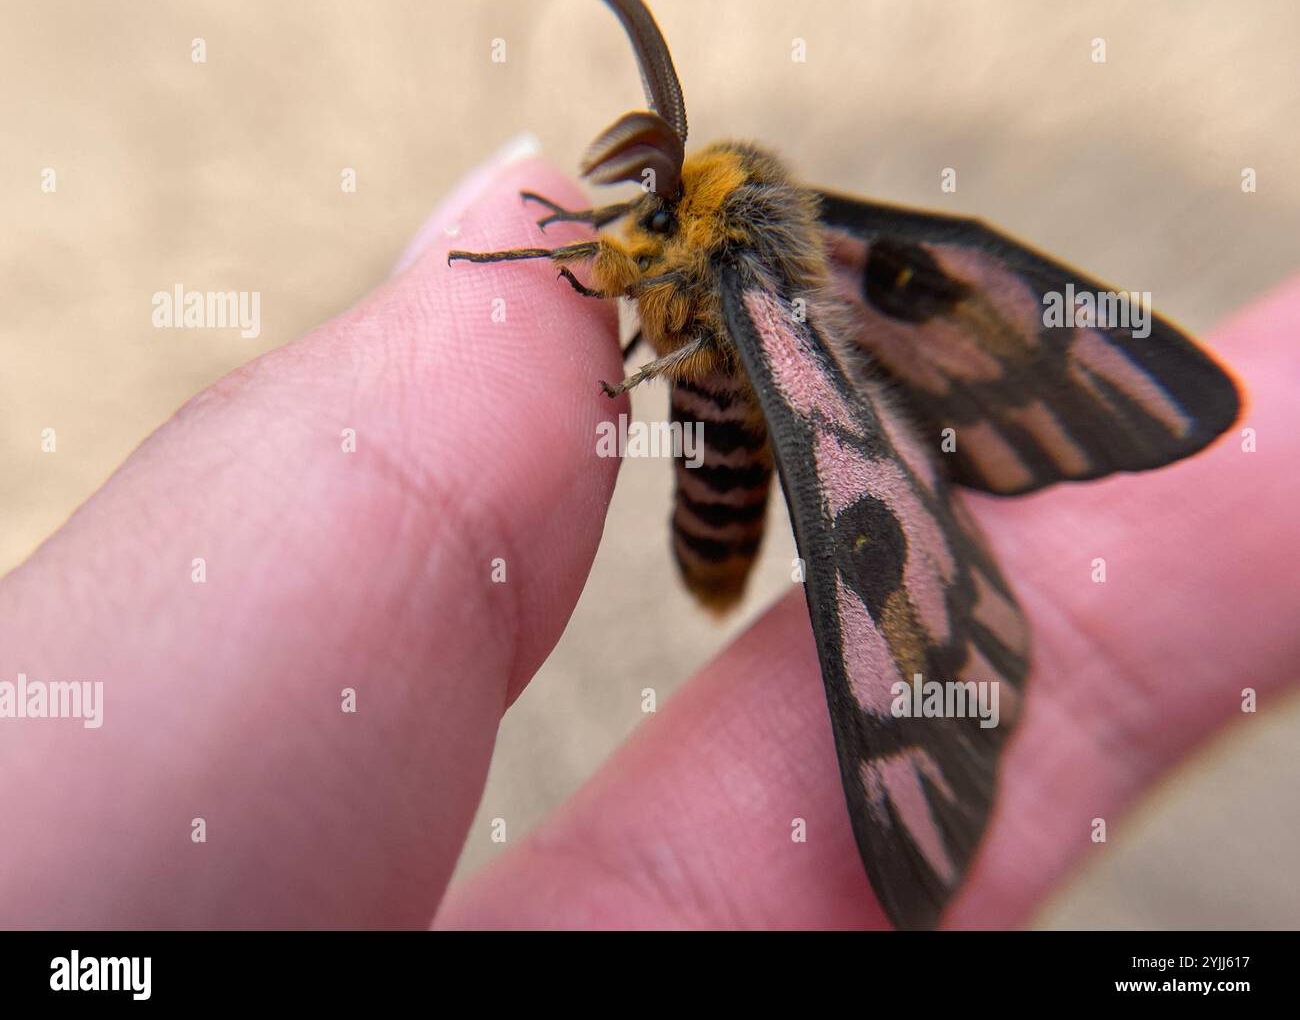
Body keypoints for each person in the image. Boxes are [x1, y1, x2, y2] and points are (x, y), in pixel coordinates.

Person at [1, 141, 1296, 930]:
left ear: (697, 232)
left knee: (847, 503)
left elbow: (641, 283)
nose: (639, 223)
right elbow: (634, 273)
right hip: (756, 425)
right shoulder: (722, 252)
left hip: (743, 486)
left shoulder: (726, 268)